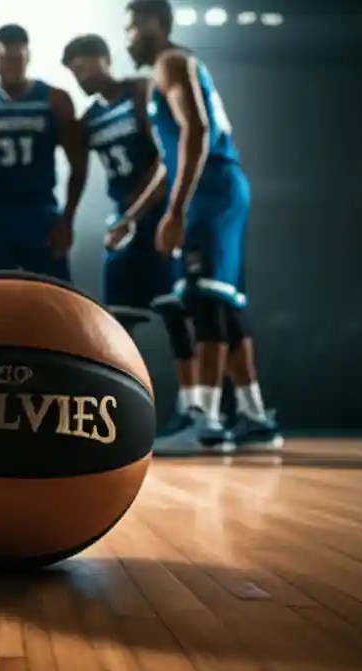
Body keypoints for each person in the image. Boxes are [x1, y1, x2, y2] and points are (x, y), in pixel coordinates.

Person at [121, 0, 282, 452]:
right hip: (218, 188)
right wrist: (134, 216)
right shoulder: (168, 70)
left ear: (156, 23)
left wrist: (175, 211)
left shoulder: (172, 62)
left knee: (205, 298)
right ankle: (254, 417)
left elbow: (197, 130)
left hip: (211, 189)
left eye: (132, 28)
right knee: (223, 302)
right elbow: (170, 161)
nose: (127, 38)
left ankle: (206, 423)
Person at [61, 34, 204, 455]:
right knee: (118, 326)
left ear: (105, 60)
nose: (80, 75)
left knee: (176, 314)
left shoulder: (140, 93)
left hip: (154, 215)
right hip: (122, 225)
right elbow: (79, 171)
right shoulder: (89, 118)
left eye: (84, 66)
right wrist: (68, 216)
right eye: (73, 71)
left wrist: (144, 212)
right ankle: (119, 414)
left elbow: (167, 156)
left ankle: (195, 408)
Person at [0, 24, 86, 281]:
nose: (11, 66)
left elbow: (78, 164)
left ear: (28, 57)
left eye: (16, 59)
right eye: (4, 59)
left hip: (39, 208)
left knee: (52, 300)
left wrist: (67, 219)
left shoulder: (55, 100)